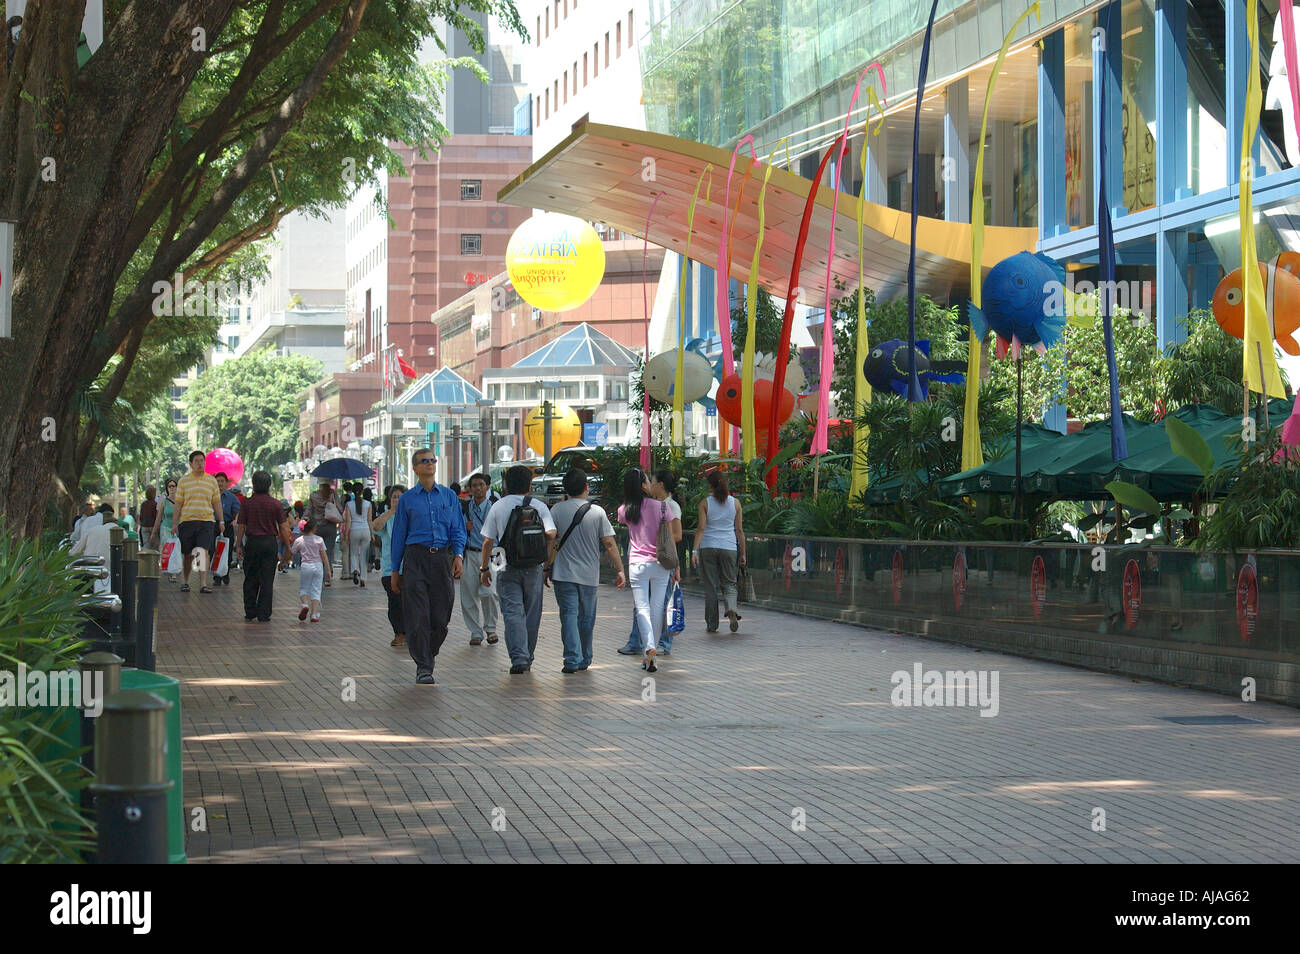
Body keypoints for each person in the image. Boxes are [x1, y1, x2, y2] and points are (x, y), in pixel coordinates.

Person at [389, 449, 466, 685]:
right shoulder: (407, 500)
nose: (430, 464)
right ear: (415, 468)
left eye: (433, 460)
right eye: (425, 461)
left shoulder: (449, 497)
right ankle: (424, 666)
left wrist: (458, 555)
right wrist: (395, 570)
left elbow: (457, 528)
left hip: (442, 558)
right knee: (418, 616)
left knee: (441, 618)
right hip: (415, 559)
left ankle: (427, 653)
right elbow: (399, 535)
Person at [476, 464, 555, 674]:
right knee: (532, 613)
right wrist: (544, 561)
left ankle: (518, 657)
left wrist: (485, 569)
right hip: (534, 567)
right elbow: (551, 534)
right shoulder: (538, 505)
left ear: (506, 484)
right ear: (529, 484)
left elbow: (487, 542)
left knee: (512, 612)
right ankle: (527, 655)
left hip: (505, 565)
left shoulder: (498, 506)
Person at [546, 468, 625, 673]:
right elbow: (609, 543)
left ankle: (571, 659)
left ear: (565, 489)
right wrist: (620, 569)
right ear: (586, 487)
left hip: (563, 574)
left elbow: (551, 541)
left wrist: (546, 567)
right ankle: (585, 657)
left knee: (569, 616)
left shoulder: (556, 510)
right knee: (587, 618)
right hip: (589, 575)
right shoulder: (597, 512)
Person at [618, 468, 680, 673]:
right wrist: (677, 565)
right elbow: (670, 539)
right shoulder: (662, 507)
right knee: (657, 607)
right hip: (660, 564)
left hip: (637, 564)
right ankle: (649, 653)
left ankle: (649, 649)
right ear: (644, 485)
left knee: (642, 608)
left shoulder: (624, 510)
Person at [234, 472, 294, 622]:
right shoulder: (275, 504)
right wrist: (288, 547)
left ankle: (250, 610)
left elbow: (241, 525)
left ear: (254, 484)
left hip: (252, 543)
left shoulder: (247, 503)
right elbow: (283, 528)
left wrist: (238, 544)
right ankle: (264, 613)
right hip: (269, 543)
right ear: (269, 485)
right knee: (267, 579)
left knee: (250, 577)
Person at [694, 469, 746, 633]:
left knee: (711, 586)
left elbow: (701, 528)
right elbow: (739, 531)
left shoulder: (705, 503)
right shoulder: (735, 503)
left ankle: (712, 623)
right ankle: (731, 608)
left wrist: (695, 551)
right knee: (730, 582)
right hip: (729, 547)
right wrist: (743, 553)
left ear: (710, 486)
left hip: (708, 546)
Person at [172, 450, 223, 593]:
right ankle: (186, 581)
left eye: (202, 460)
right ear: (190, 464)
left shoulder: (211, 481)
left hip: (206, 521)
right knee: (188, 554)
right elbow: (178, 504)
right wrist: (174, 523)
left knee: (203, 552)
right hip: (187, 521)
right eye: (197, 461)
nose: (200, 464)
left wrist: (222, 521)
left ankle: (203, 584)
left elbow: (217, 503)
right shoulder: (184, 481)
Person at [459, 472, 501, 646]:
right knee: (468, 593)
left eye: (481, 485)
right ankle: (475, 632)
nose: (477, 488)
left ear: (487, 487)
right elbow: (456, 531)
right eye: (474, 485)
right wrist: (465, 527)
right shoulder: (465, 508)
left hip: (495, 553)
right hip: (471, 552)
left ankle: (491, 629)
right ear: (470, 489)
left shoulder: (495, 506)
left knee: (491, 592)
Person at [371, 485, 408, 648]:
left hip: (410, 567)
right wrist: (392, 511)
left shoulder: (411, 515)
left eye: (400, 496)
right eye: (394, 496)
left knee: (410, 603)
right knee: (394, 602)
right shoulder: (387, 516)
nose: (396, 499)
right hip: (390, 567)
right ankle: (399, 633)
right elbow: (375, 526)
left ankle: (411, 633)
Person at [70, 504, 118, 594]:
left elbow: (74, 548)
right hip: (111, 572)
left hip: (88, 569)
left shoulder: (89, 524)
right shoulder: (121, 532)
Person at [291, 517, 330, 622]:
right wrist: (328, 570)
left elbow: (292, 552)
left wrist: (284, 562)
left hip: (306, 565)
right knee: (316, 589)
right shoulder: (319, 540)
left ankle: (304, 604)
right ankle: (314, 614)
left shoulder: (299, 540)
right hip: (318, 566)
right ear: (314, 528)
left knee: (304, 588)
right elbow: (324, 556)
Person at [308, 480, 342, 586]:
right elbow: (340, 509)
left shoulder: (313, 495)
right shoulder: (332, 494)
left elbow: (308, 511)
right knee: (328, 553)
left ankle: (319, 577)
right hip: (330, 526)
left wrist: (303, 523)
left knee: (317, 553)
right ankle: (327, 577)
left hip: (316, 528)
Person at [149, 479, 181, 579]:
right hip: (165, 529)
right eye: (169, 486)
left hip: (177, 530)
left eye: (173, 486)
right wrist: (153, 533)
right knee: (167, 550)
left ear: (177, 487)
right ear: (167, 489)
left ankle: (174, 572)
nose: (171, 488)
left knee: (176, 551)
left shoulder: (181, 501)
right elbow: (158, 518)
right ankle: (168, 569)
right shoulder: (164, 502)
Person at [343, 487, 373, 587]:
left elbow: (348, 521)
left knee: (354, 553)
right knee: (364, 555)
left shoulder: (348, 504)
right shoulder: (368, 504)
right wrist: (372, 533)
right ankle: (363, 578)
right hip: (365, 530)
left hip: (354, 530)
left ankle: (355, 569)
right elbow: (369, 520)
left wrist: (347, 534)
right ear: (362, 492)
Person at [214, 473, 240, 585]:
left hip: (227, 526)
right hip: (213, 526)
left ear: (226, 483)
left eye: (222, 481)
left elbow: (239, 511)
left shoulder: (231, 497)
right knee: (215, 551)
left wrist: (236, 520)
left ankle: (225, 574)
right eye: (217, 481)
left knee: (227, 552)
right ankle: (216, 576)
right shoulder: (210, 495)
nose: (219, 483)